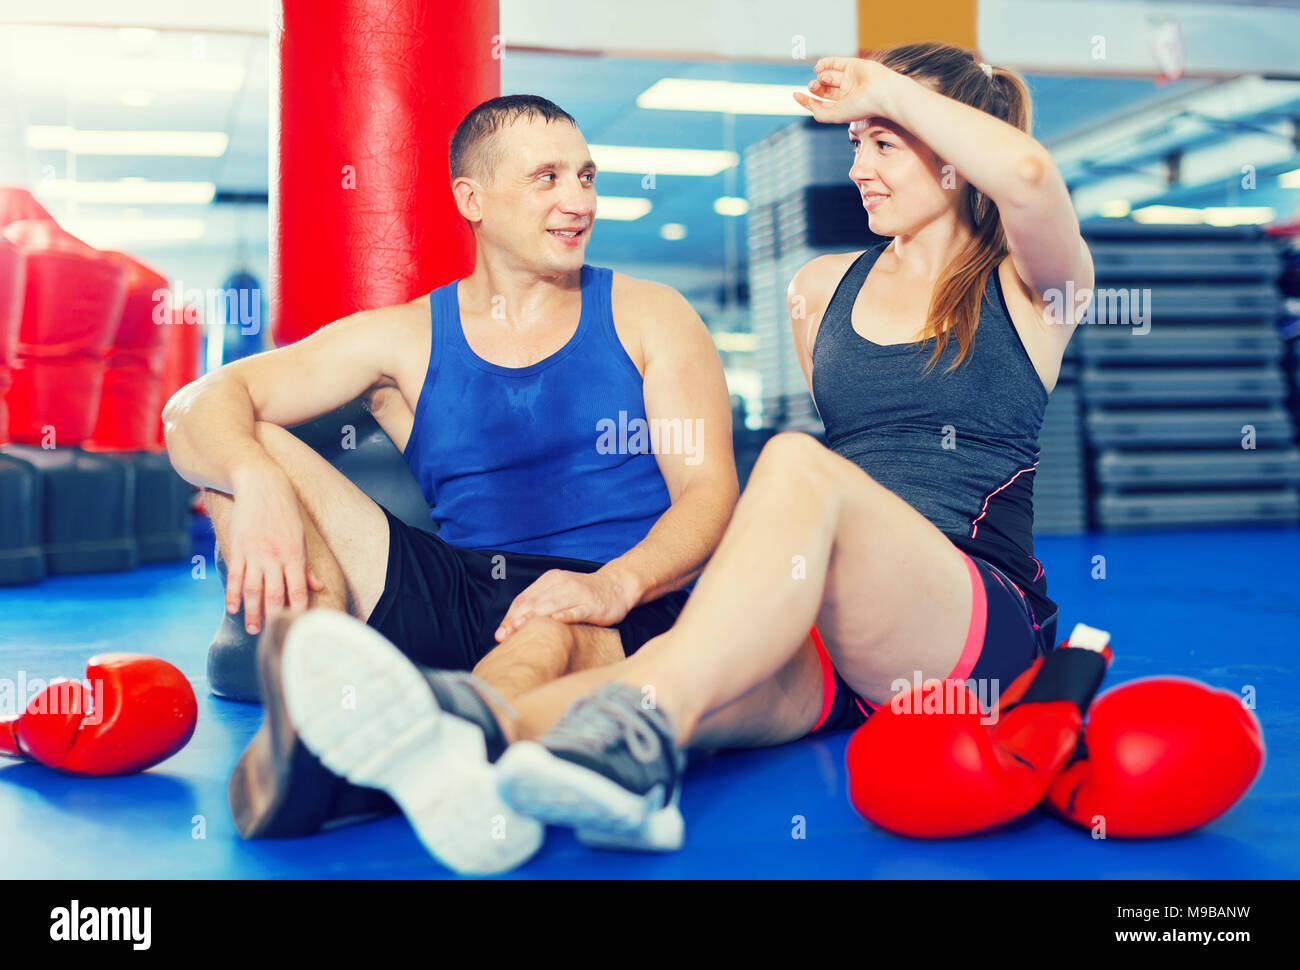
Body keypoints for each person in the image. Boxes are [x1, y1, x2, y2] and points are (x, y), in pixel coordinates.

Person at [266, 41, 1095, 869]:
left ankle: (637, 748)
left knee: (796, 464)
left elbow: (1024, 177)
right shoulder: (820, 293)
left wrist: (880, 87)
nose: (858, 169)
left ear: (952, 151)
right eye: (854, 144)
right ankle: (435, 750)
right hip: (833, 638)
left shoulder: (1032, 289)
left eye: (884, 143)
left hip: (972, 619)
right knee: (660, 674)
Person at [161, 95, 738, 866]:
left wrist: (616, 586)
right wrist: (253, 477)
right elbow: (194, 405)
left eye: (586, 175)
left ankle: (447, 739)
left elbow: (709, 496)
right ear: (472, 198)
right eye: (548, 178)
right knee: (249, 439)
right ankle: (317, 694)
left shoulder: (652, 316)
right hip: (459, 591)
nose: (579, 200)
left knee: (551, 630)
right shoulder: (402, 337)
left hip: (616, 602)